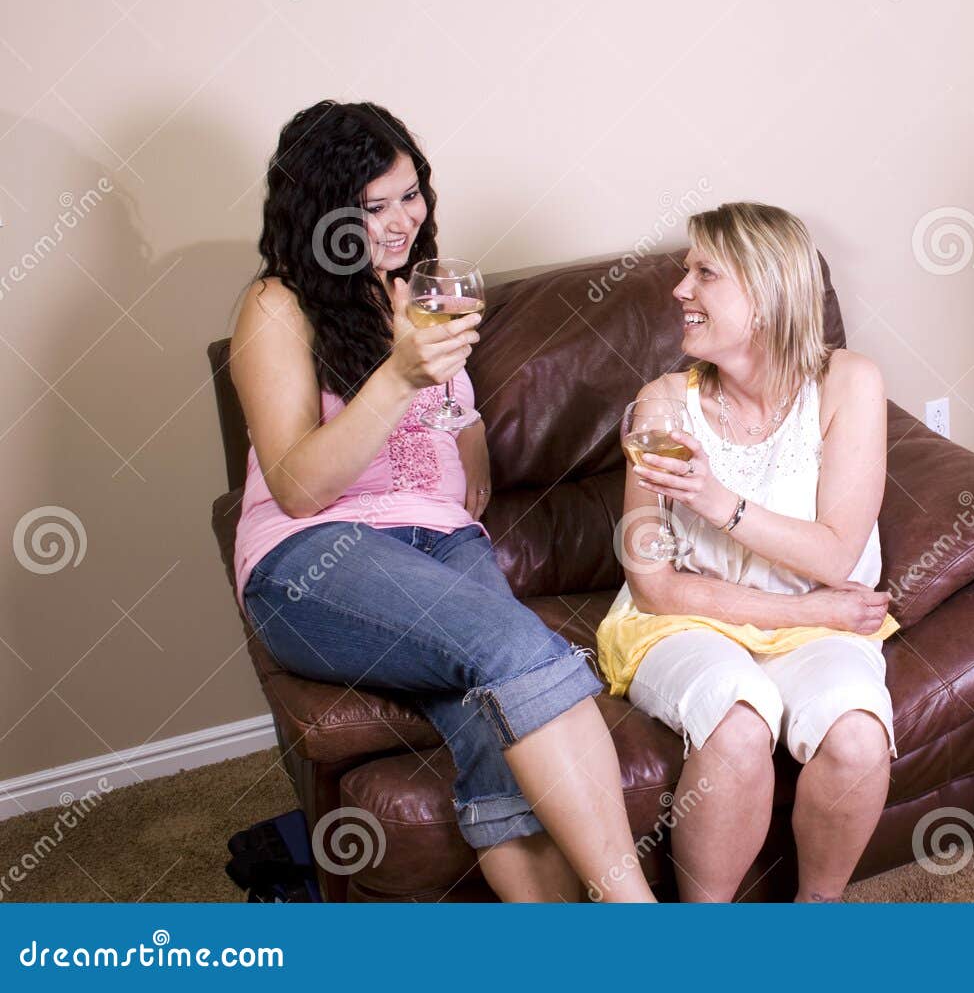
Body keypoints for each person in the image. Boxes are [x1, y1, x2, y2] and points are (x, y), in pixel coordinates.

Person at [230, 100, 652, 902]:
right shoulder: (277, 305)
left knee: (496, 733)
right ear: (320, 208)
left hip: (444, 540)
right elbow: (298, 484)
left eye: (411, 193)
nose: (402, 219)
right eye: (375, 203)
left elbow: (472, 473)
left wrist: (455, 411)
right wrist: (399, 375)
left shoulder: (415, 293)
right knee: (520, 647)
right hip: (317, 551)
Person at [596, 202, 898, 902]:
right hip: (689, 620)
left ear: (764, 296)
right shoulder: (663, 406)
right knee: (737, 720)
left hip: (818, 616)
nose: (680, 289)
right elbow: (653, 587)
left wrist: (718, 500)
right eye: (684, 271)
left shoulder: (850, 382)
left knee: (856, 732)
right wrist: (811, 607)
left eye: (705, 272)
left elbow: (835, 552)